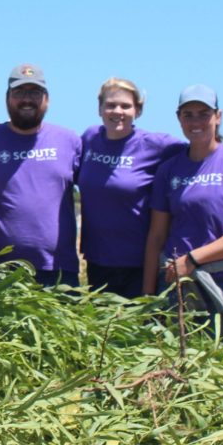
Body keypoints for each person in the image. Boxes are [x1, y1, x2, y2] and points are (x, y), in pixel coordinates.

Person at [143, 85, 223, 342]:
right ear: (179, 118)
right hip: (176, 288)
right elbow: (156, 236)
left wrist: (192, 260)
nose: (196, 121)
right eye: (188, 115)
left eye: (203, 114)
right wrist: (149, 296)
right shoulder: (169, 170)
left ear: (217, 117)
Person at [0, 64, 81, 286]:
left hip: (58, 269)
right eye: (19, 92)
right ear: (7, 98)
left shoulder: (69, 141)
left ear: (46, 99)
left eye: (34, 93)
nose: (27, 99)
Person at [78, 78, 185, 297]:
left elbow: (198, 151)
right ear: (100, 109)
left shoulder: (155, 144)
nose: (118, 111)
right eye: (111, 105)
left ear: (137, 110)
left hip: (139, 264)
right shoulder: (90, 138)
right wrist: (3, 130)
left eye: (126, 106)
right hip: (97, 260)